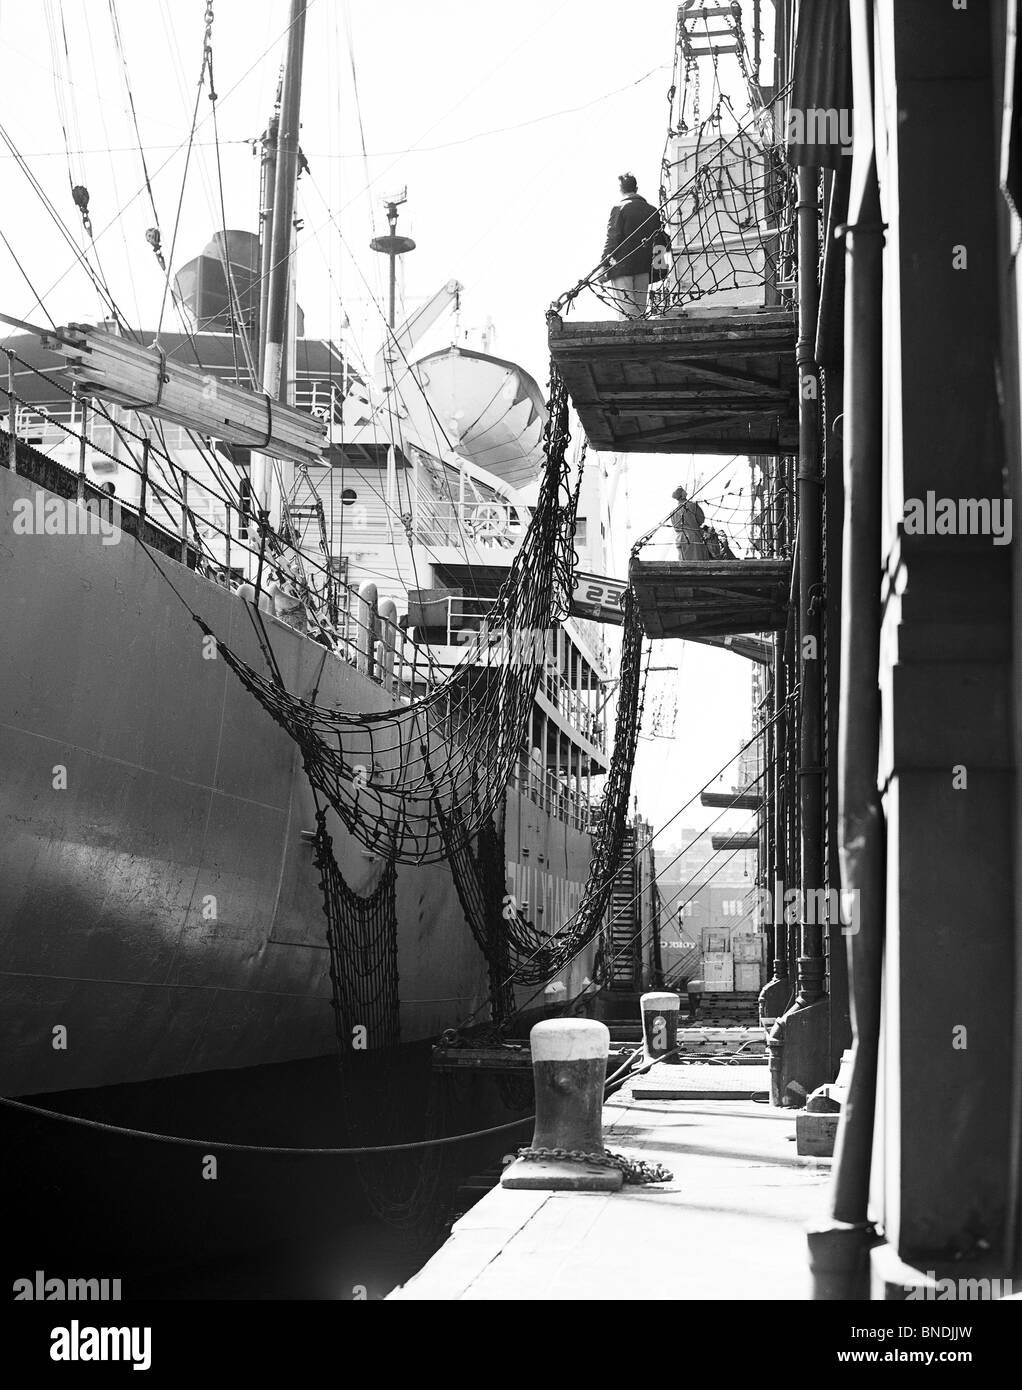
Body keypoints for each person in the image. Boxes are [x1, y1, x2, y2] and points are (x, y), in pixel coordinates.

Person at [600, 173, 670, 320]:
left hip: (622, 268)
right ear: (636, 188)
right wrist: (660, 268)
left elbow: (612, 239)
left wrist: (603, 266)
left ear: (621, 190)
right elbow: (658, 240)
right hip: (644, 268)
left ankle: (627, 341)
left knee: (626, 313)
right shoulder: (652, 211)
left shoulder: (619, 208)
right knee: (640, 312)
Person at [670, 485, 708, 560]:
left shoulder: (673, 512)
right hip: (692, 538)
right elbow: (701, 520)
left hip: (679, 539)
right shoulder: (692, 505)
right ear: (684, 494)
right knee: (697, 563)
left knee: (684, 564)